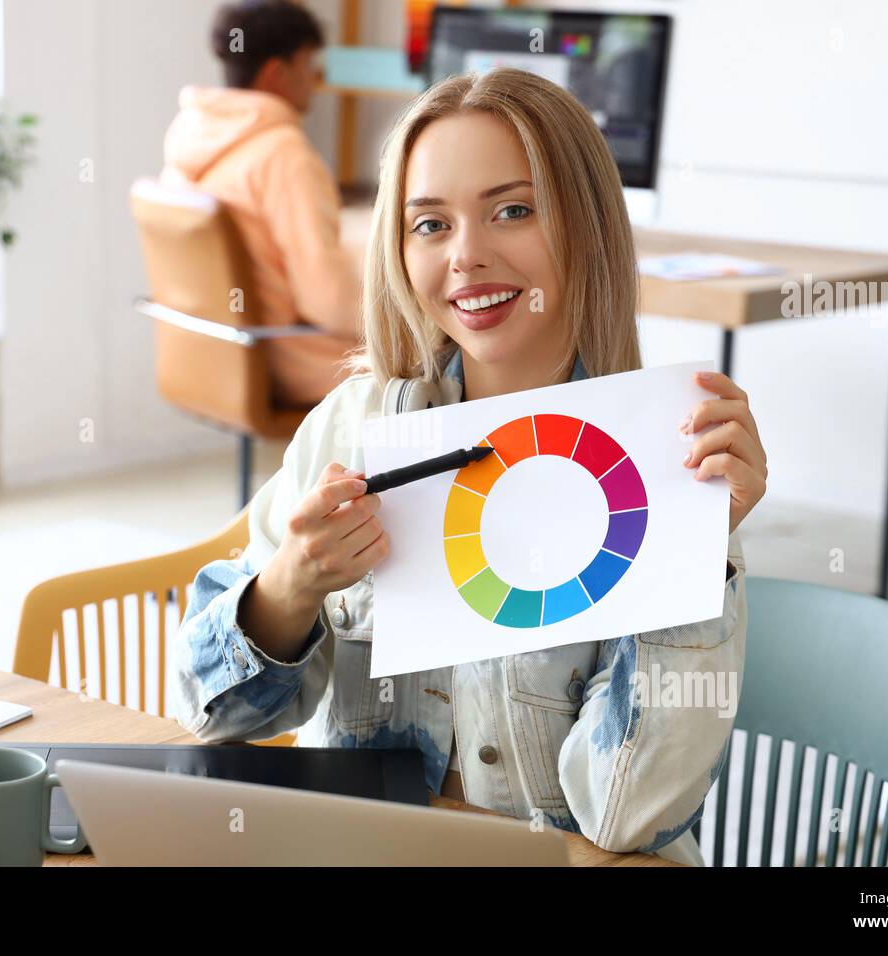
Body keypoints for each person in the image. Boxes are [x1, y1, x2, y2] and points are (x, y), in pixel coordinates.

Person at [168, 67, 769, 866]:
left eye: (512, 210)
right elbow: (213, 715)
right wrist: (289, 586)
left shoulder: (671, 459)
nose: (467, 256)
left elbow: (628, 818)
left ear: (586, 226)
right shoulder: (352, 428)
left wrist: (694, 554)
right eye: (429, 224)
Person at [160, 0, 361, 407]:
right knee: (444, 352)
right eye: (310, 65)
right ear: (277, 72)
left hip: (219, 354)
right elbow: (328, 302)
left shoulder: (188, 133)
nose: (316, 80)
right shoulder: (284, 156)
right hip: (298, 361)